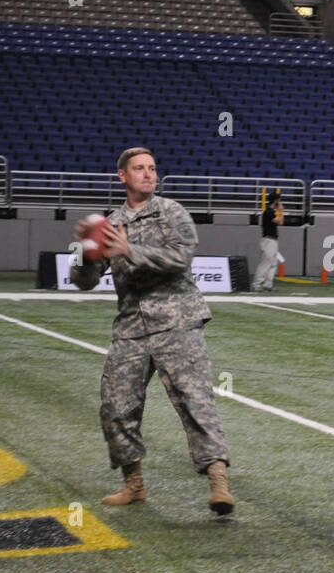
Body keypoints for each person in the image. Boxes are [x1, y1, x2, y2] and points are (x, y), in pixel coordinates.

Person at [70, 147, 234, 514]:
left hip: (177, 322)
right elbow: (83, 281)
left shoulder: (172, 212)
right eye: (139, 169)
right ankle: (134, 484)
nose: (148, 174)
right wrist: (84, 251)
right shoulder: (110, 224)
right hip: (131, 327)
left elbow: (180, 258)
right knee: (115, 406)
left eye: (152, 168)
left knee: (196, 403)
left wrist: (130, 249)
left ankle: (218, 482)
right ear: (122, 177)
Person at [252, 191, 282, 292]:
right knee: (265, 262)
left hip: (273, 240)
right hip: (268, 240)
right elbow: (280, 221)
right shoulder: (268, 212)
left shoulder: (271, 211)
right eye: (279, 200)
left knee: (273, 263)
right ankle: (257, 284)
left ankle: (268, 284)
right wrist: (281, 211)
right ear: (276, 201)